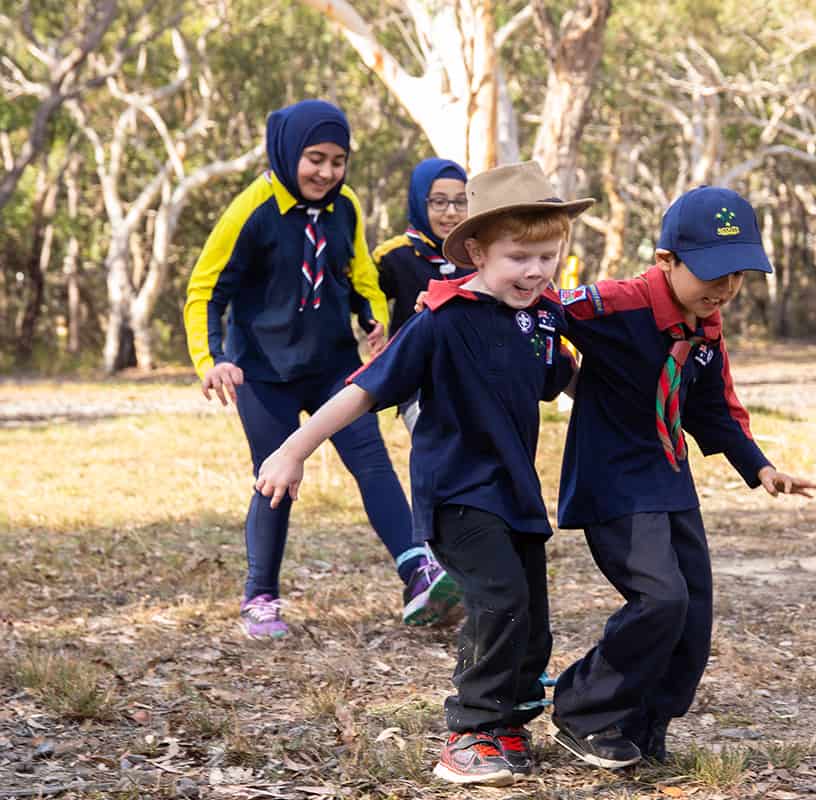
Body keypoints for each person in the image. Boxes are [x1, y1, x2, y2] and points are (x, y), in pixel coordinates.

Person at [253, 160, 589, 786]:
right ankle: (468, 734)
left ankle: (507, 723)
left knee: (532, 617)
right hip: (458, 492)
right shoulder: (440, 321)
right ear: (478, 252)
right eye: (519, 257)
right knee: (499, 600)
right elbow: (363, 390)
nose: (536, 271)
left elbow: (564, 378)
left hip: (517, 492)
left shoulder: (540, 318)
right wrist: (294, 449)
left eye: (547, 256)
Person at [549, 186, 816, 768]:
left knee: (693, 612)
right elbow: (539, 304)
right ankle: (582, 710)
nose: (723, 289)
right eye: (711, 273)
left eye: (737, 275)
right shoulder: (616, 305)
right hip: (612, 483)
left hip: (670, 479)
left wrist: (760, 465)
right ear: (665, 259)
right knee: (660, 599)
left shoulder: (706, 328)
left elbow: (713, 406)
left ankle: (644, 725)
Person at [183, 99, 457, 639]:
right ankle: (260, 595)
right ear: (289, 152)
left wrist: (373, 318)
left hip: (334, 365)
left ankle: (418, 573)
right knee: (276, 478)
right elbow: (204, 290)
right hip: (264, 373)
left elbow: (358, 273)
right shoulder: (251, 210)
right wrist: (211, 359)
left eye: (338, 161)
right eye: (315, 158)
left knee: (373, 463)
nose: (326, 172)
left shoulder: (345, 205)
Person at [373, 157, 473, 432]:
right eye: (439, 202)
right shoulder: (394, 255)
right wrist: (375, 328)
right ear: (419, 200)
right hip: (417, 380)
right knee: (438, 447)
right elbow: (364, 293)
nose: (451, 212)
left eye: (461, 201)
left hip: (472, 377)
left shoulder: (479, 253)